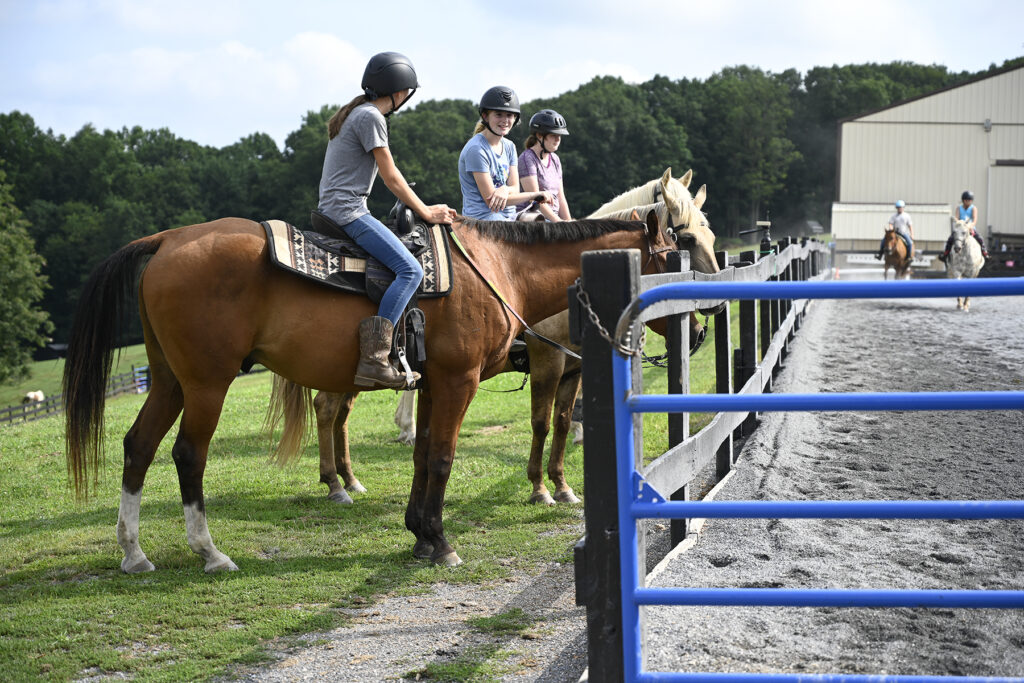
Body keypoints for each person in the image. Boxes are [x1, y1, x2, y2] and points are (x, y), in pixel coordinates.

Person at [318, 51, 456, 389]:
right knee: (411, 270)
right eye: (408, 91)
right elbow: (391, 177)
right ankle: (375, 359)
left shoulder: (356, 113)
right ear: (398, 90)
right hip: (348, 211)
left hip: (336, 208)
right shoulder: (370, 117)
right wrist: (427, 212)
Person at [458, 86, 551, 220]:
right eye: (498, 114)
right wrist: (533, 195)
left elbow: (514, 188)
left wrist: (504, 189)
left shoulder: (509, 146)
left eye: (509, 115)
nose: (505, 120)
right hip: (483, 220)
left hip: (509, 216)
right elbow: (491, 201)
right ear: (485, 116)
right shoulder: (476, 149)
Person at [515, 109, 572, 221]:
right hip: (534, 217)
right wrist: (559, 223)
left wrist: (570, 224)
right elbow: (536, 201)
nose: (558, 139)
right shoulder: (527, 158)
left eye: (559, 135)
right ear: (539, 135)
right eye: (553, 135)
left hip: (553, 219)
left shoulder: (555, 159)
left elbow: (561, 197)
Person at [939, 190, 989, 261]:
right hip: (960, 228)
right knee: (950, 239)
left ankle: (985, 253)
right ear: (963, 200)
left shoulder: (973, 208)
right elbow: (957, 217)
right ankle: (945, 254)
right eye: (967, 200)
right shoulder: (959, 208)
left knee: (980, 239)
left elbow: (974, 220)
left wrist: (969, 226)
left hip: (970, 228)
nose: (969, 202)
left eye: (970, 200)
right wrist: (958, 221)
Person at [875, 200, 913, 264]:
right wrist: (891, 229)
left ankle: (908, 257)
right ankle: (880, 255)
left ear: (903, 208)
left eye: (900, 207)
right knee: (883, 241)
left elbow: (910, 225)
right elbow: (890, 223)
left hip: (903, 233)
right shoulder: (894, 216)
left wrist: (912, 234)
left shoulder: (907, 216)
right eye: (898, 208)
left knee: (909, 243)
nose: (899, 209)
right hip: (894, 233)